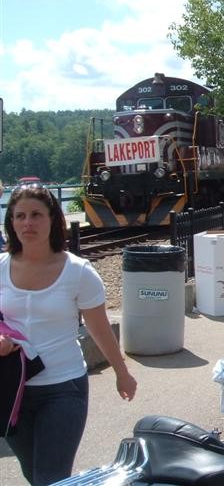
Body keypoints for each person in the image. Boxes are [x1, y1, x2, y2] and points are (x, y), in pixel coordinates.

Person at [0, 185, 136, 485]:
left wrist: (121, 372)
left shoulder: (78, 272)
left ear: (52, 219)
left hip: (63, 388)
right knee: (34, 474)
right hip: (13, 389)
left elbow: (99, 328)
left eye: (36, 215)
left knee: (51, 477)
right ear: (11, 221)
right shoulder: (0, 268)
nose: (27, 223)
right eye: (20, 216)